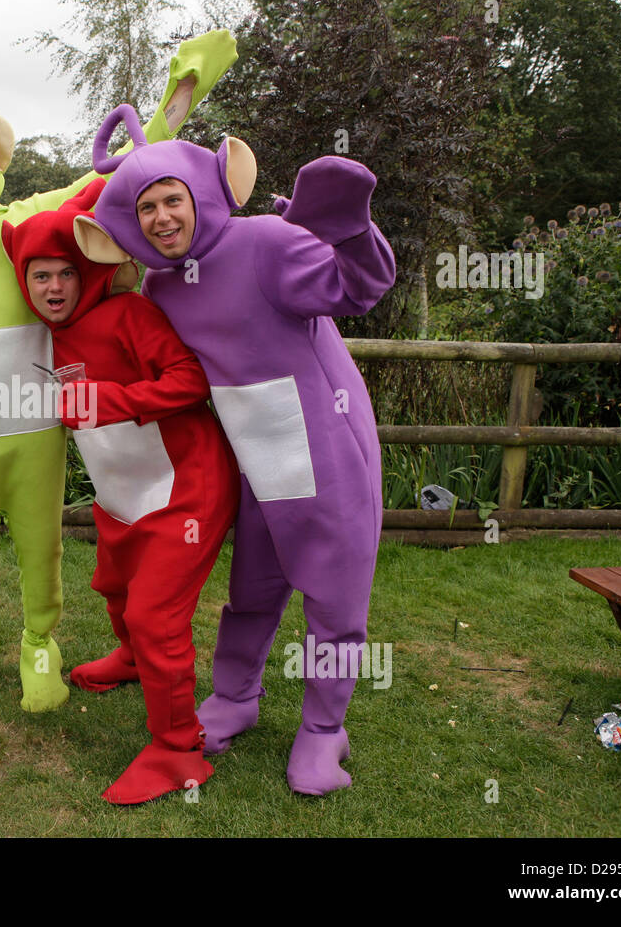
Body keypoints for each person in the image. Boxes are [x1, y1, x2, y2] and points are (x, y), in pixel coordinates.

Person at [0, 30, 238, 712]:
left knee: (39, 539)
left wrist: (184, 90)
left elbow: (122, 166)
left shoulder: (35, 217)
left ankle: (39, 644)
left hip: (36, 423)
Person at [74, 105, 396, 795]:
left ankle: (321, 729)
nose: (162, 217)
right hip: (252, 459)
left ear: (197, 194)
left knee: (335, 606)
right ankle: (236, 697)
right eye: (146, 208)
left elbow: (358, 289)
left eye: (171, 200)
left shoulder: (268, 242)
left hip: (327, 452)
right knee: (251, 591)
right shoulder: (160, 284)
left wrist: (350, 232)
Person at [1, 179, 239, 804]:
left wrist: (115, 400)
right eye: (39, 276)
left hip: (185, 486)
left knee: (155, 615)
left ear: (86, 273)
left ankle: (178, 752)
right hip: (121, 491)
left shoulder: (129, 314)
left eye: (64, 275)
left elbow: (191, 380)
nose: (53, 288)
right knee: (114, 587)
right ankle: (134, 662)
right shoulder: (42, 338)